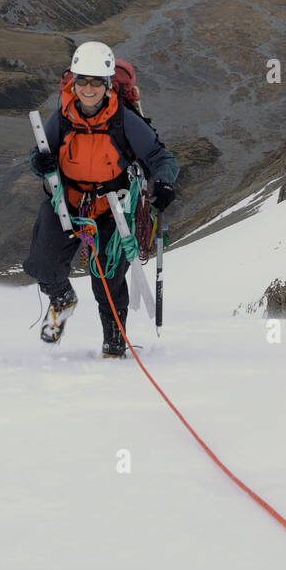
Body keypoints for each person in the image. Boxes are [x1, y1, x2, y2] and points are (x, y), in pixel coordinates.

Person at [23, 41, 179, 357]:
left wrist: (163, 183)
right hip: (67, 202)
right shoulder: (62, 118)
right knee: (43, 264)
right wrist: (38, 164)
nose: (89, 88)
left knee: (106, 277)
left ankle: (113, 341)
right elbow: (42, 154)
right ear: (74, 82)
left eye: (96, 81)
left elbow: (158, 156)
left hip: (113, 206)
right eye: (83, 80)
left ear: (108, 84)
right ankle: (62, 300)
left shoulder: (123, 121)